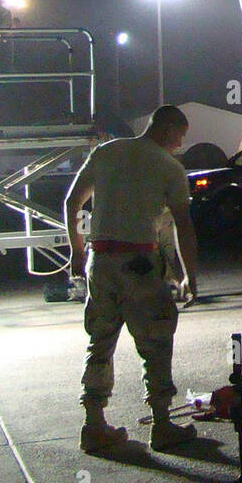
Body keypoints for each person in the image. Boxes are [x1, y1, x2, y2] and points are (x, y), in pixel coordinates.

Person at [65, 105, 199, 455]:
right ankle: (161, 424)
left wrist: (77, 252)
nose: (179, 145)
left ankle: (93, 425)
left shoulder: (106, 152)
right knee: (155, 341)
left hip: (100, 259)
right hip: (140, 261)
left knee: (100, 340)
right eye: (180, 138)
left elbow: (71, 202)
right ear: (170, 131)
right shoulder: (169, 167)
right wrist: (189, 276)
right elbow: (183, 225)